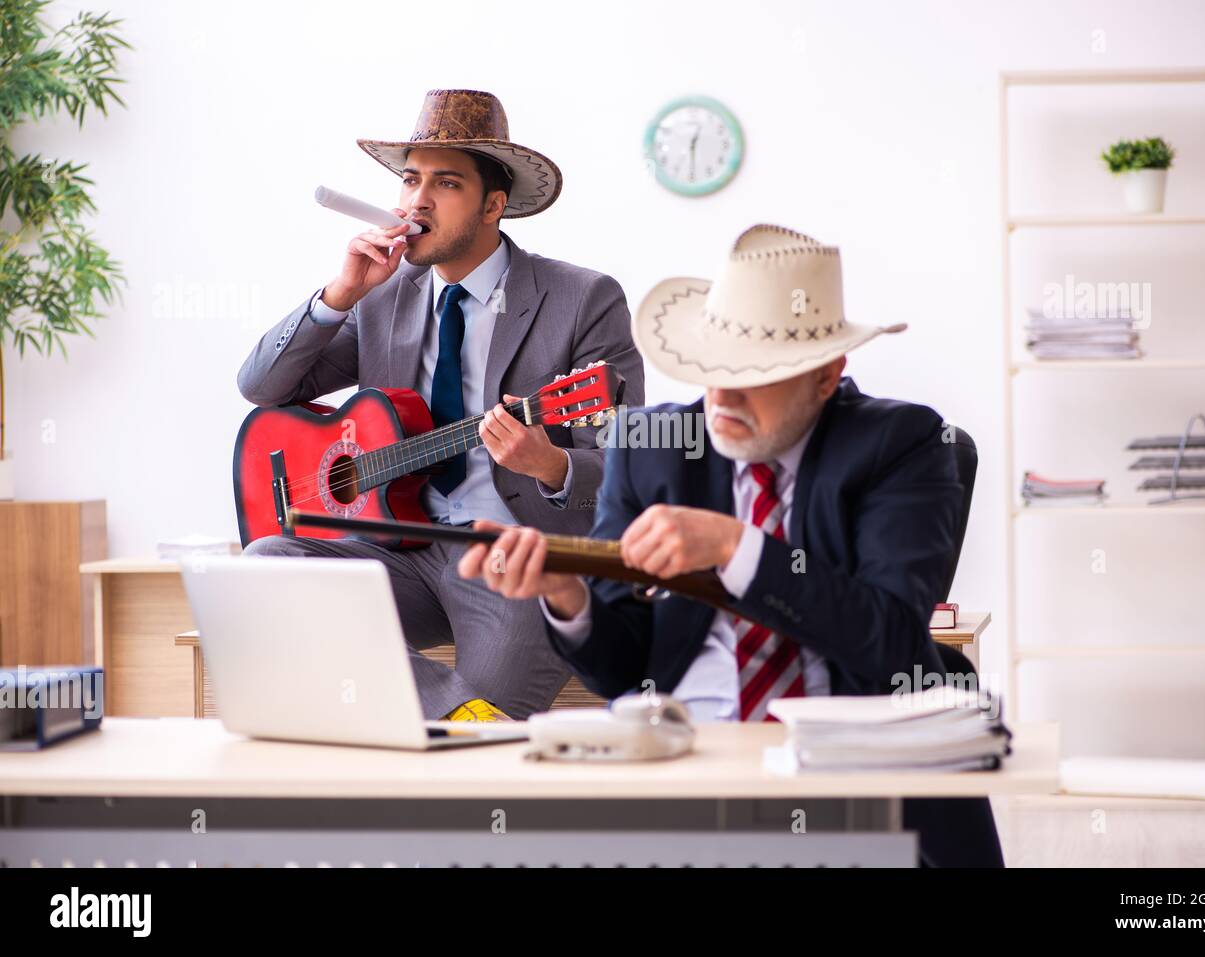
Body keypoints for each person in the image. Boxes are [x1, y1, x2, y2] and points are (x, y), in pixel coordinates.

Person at [458, 224, 1003, 865]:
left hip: (850, 766)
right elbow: (621, 669)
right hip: (689, 764)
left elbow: (890, 642)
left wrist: (735, 547)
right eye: (711, 366)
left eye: (753, 374)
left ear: (827, 375)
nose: (722, 397)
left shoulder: (904, 444)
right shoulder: (650, 448)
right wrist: (568, 597)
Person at [237, 89, 644, 722]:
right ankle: (432, 713)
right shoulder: (381, 295)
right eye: (410, 179)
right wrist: (337, 295)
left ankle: (422, 714)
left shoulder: (584, 298)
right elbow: (263, 388)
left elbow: (627, 463)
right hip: (398, 548)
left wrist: (552, 467)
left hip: (513, 556)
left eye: (446, 182)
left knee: (479, 719)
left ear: (494, 205)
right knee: (265, 565)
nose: (417, 200)